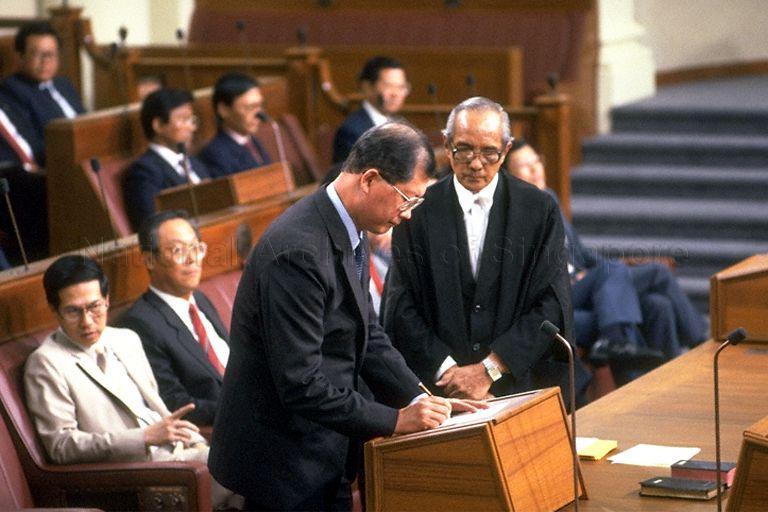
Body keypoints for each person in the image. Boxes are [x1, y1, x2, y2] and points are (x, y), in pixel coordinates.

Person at [209, 122, 483, 511]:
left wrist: (425, 402)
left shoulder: (350, 228)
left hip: (327, 449)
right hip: (283, 464)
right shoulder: (298, 252)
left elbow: (367, 335)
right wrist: (394, 421)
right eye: (408, 200)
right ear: (370, 179)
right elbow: (300, 383)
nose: (407, 216)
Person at [384, 97, 583, 403]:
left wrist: (489, 370)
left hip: (519, 385)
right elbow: (401, 304)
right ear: (447, 143)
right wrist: (448, 372)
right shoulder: (417, 209)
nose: (476, 163)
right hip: (439, 393)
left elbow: (552, 303)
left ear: (505, 150)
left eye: (489, 151)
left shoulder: (539, 209)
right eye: (463, 149)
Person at [23, 255, 238, 508]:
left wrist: (186, 434)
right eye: (73, 311)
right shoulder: (45, 364)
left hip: (181, 455)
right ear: (54, 310)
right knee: (244, 470)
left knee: (257, 458)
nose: (87, 321)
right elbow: (61, 446)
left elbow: (156, 409)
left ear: (107, 300)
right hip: (132, 477)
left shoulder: (126, 340)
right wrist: (143, 437)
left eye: (95, 307)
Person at [506, 139, 706, 361]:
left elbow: (581, 252)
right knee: (655, 273)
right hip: (561, 296)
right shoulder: (515, 214)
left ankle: (665, 375)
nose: (535, 169)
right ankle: (699, 342)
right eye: (525, 166)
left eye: (537, 161)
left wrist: (608, 271)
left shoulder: (549, 198)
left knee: (657, 305)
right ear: (510, 176)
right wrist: (591, 275)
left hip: (585, 286)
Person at [118, 210, 229, 427]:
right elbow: (174, 403)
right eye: (178, 250)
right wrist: (245, 407)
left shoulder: (200, 299)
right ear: (150, 259)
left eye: (197, 248)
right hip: (222, 428)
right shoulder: (140, 324)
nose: (192, 259)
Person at [123, 88, 212, 231]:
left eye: (192, 120)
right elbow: (151, 225)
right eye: (183, 119)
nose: (191, 127)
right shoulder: (143, 172)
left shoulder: (195, 163)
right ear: (158, 125)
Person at [1, 22, 84, 145]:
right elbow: (31, 143)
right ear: (20, 57)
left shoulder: (64, 84)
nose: (46, 61)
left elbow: (85, 120)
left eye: (51, 54)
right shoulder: (11, 91)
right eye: (37, 54)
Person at [331, 56, 410, 164]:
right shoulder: (352, 131)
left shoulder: (401, 125)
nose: (395, 94)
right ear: (367, 87)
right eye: (388, 86)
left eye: (401, 87)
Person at [0, 91, 48, 264]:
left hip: (34, 170)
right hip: (13, 179)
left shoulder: (7, 99)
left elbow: (34, 140)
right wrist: (26, 170)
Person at [199, 72, 272, 177]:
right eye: (250, 107)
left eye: (260, 106)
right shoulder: (215, 154)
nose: (259, 114)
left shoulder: (253, 141)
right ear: (223, 110)